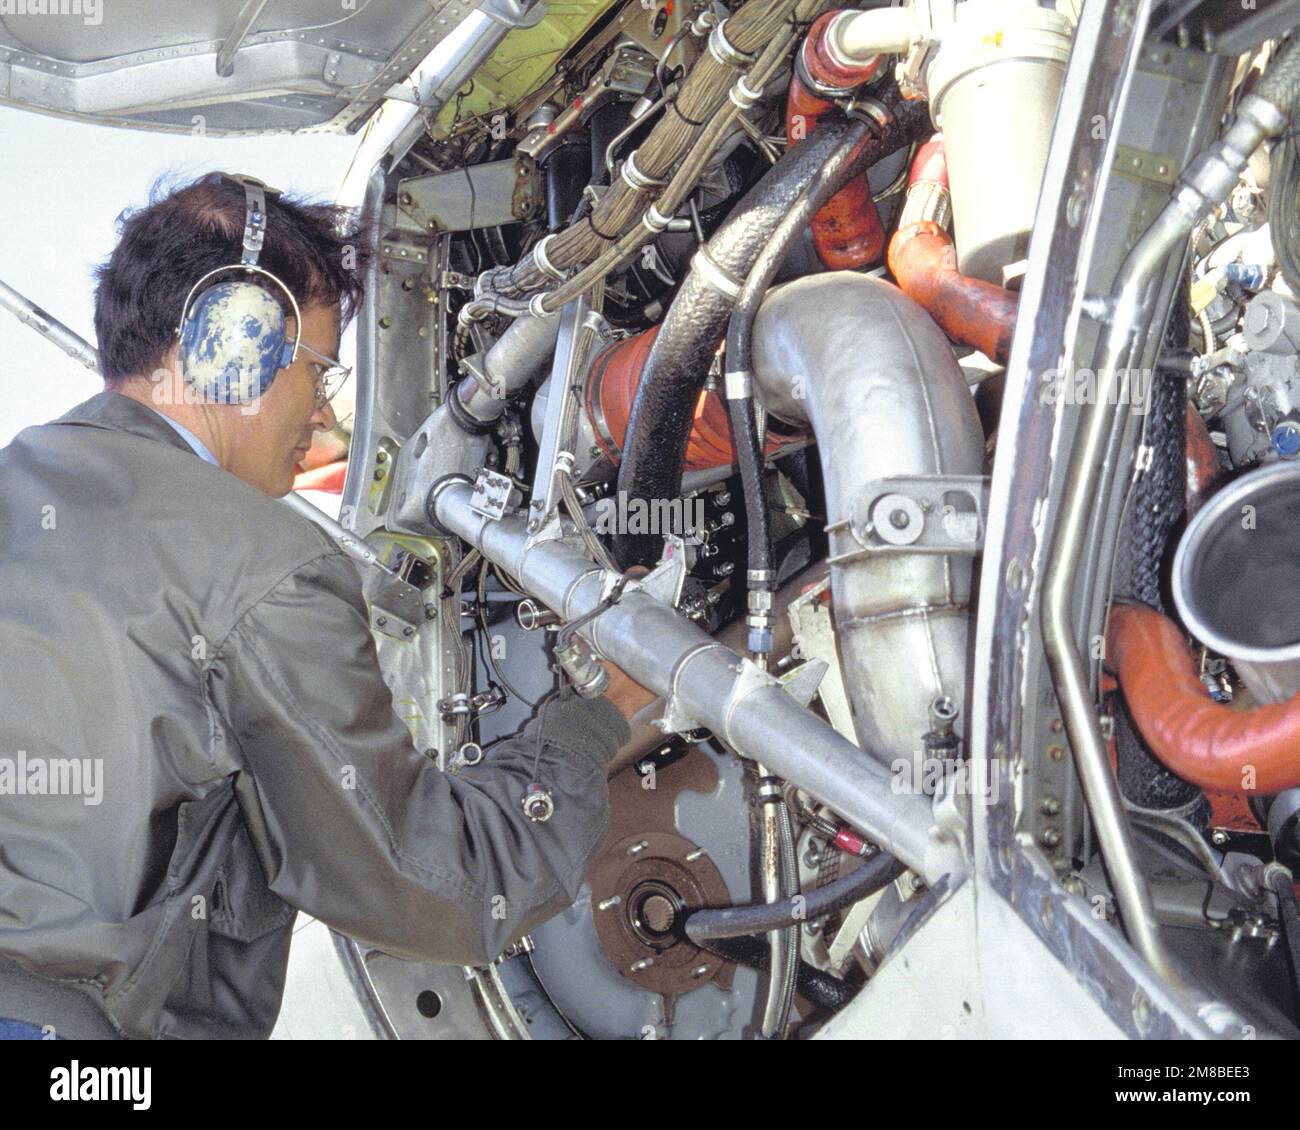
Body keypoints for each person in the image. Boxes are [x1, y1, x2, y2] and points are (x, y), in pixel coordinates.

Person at [0, 173, 650, 1039]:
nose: (325, 406)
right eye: (318, 368)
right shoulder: (256, 562)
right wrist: (596, 720)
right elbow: (432, 884)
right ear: (235, 337)